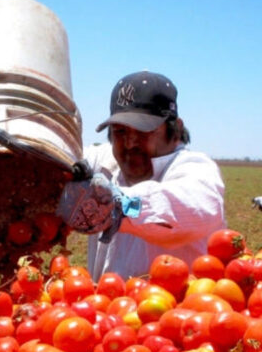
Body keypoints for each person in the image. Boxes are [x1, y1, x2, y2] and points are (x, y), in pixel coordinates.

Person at [57, 71, 226, 279]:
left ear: (175, 129)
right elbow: (56, 155)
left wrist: (119, 205)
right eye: (120, 132)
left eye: (143, 131)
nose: (130, 143)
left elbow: (190, 206)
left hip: (176, 310)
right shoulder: (105, 162)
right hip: (102, 308)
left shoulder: (195, 169)